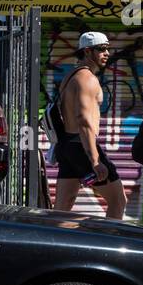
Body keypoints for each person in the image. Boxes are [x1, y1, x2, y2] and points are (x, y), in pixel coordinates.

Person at [51, 31, 126, 219]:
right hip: (82, 146)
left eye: (107, 49)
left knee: (63, 206)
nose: (106, 53)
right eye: (101, 49)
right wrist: (95, 161)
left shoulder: (70, 77)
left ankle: (54, 243)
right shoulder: (87, 80)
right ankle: (108, 246)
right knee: (118, 200)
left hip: (67, 145)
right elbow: (83, 120)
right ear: (86, 52)